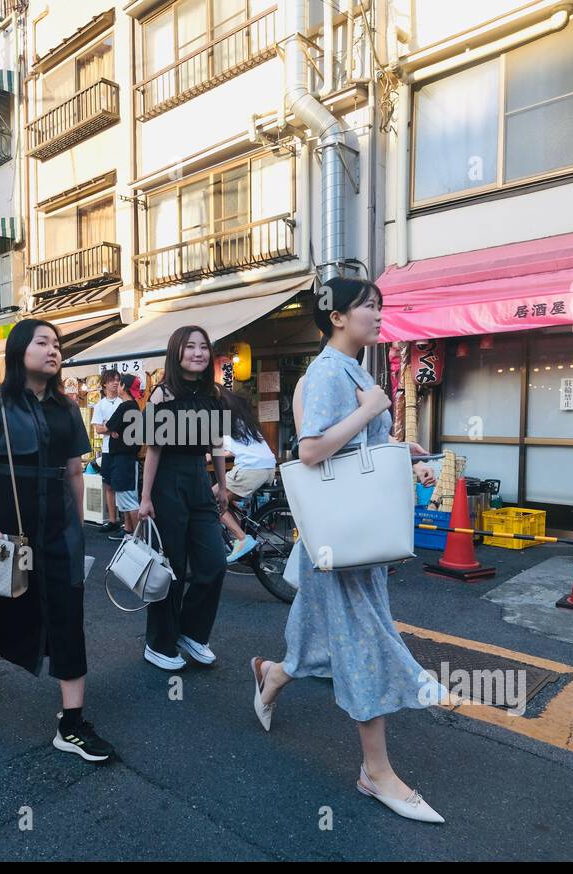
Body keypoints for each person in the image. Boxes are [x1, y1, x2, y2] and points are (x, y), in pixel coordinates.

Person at [251, 277, 447, 824]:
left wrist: (399, 450)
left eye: (379, 305)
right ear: (336, 316)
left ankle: (271, 675)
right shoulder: (325, 372)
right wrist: (371, 412)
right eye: (368, 305)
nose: (379, 314)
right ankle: (376, 772)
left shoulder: (355, 369)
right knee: (363, 643)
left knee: (322, 641)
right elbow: (311, 449)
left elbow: (351, 448)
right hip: (343, 538)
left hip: (351, 538)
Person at [0, 319, 115, 763]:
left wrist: (78, 528)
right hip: (4, 523)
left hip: (59, 528)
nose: (53, 349)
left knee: (67, 616)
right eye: (42, 342)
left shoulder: (65, 407)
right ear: (20, 350)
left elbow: (76, 472)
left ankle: (72, 723)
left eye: (57, 344)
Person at [136, 326, 228, 671]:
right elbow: (153, 450)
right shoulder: (162, 395)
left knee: (214, 562)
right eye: (190, 347)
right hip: (167, 482)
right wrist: (145, 497)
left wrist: (222, 484)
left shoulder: (214, 395)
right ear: (177, 352)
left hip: (199, 481)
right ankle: (159, 643)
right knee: (170, 568)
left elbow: (216, 445)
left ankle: (191, 632)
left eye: (204, 347)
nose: (198, 353)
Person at [219, 390, 277, 563]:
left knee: (210, 500)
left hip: (250, 470)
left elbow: (222, 452)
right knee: (226, 498)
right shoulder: (246, 421)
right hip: (268, 468)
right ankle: (239, 537)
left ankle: (242, 539)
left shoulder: (224, 422)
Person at [103, 373, 144, 538]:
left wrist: (113, 429)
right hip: (127, 458)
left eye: (119, 383)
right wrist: (112, 429)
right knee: (126, 499)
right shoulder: (133, 406)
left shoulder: (125, 406)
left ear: (124, 387)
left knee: (129, 500)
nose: (116, 386)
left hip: (123, 459)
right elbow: (111, 427)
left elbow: (109, 425)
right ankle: (130, 532)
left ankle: (138, 537)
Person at [91, 369, 123, 535]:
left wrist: (107, 426)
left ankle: (125, 521)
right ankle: (112, 520)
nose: (115, 383)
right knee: (108, 485)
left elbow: (125, 427)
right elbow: (97, 429)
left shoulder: (122, 402)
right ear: (104, 383)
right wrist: (111, 430)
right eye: (112, 380)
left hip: (123, 449)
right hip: (107, 450)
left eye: (117, 380)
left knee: (122, 486)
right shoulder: (99, 405)